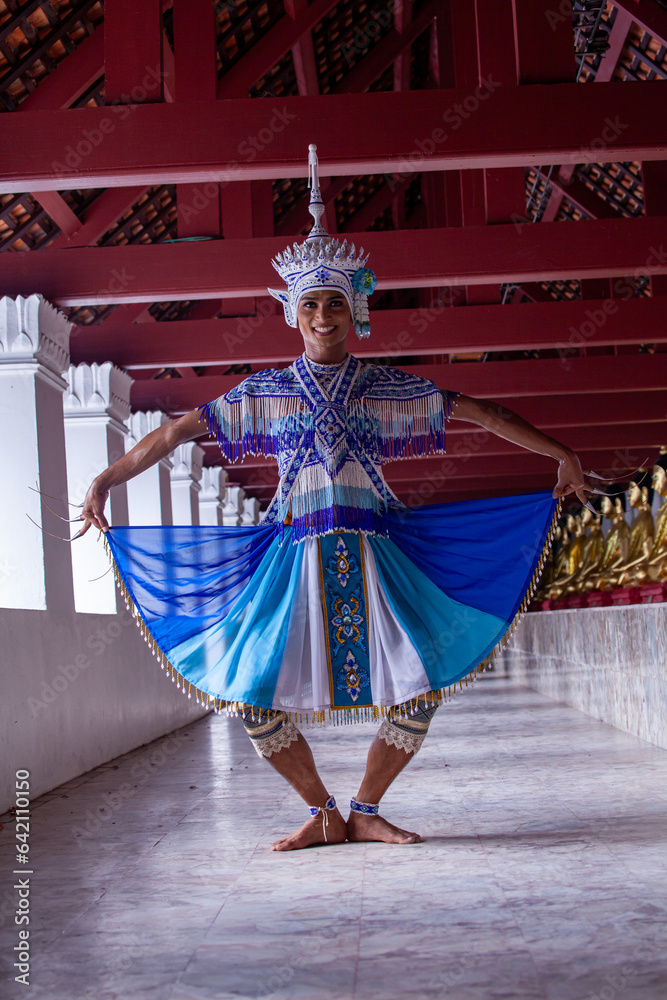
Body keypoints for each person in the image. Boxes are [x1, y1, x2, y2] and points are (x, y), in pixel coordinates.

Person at [80, 145, 595, 851]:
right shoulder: (264, 393)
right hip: (291, 560)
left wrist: (561, 453)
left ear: (354, 310)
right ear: (293, 313)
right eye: (311, 304)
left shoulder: (385, 388)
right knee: (250, 696)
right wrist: (106, 479)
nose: (323, 314)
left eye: (334, 303)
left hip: (379, 555)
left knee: (421, 687)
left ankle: (366, 808)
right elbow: (175, 431)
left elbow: (479, 411)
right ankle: (323, 812)